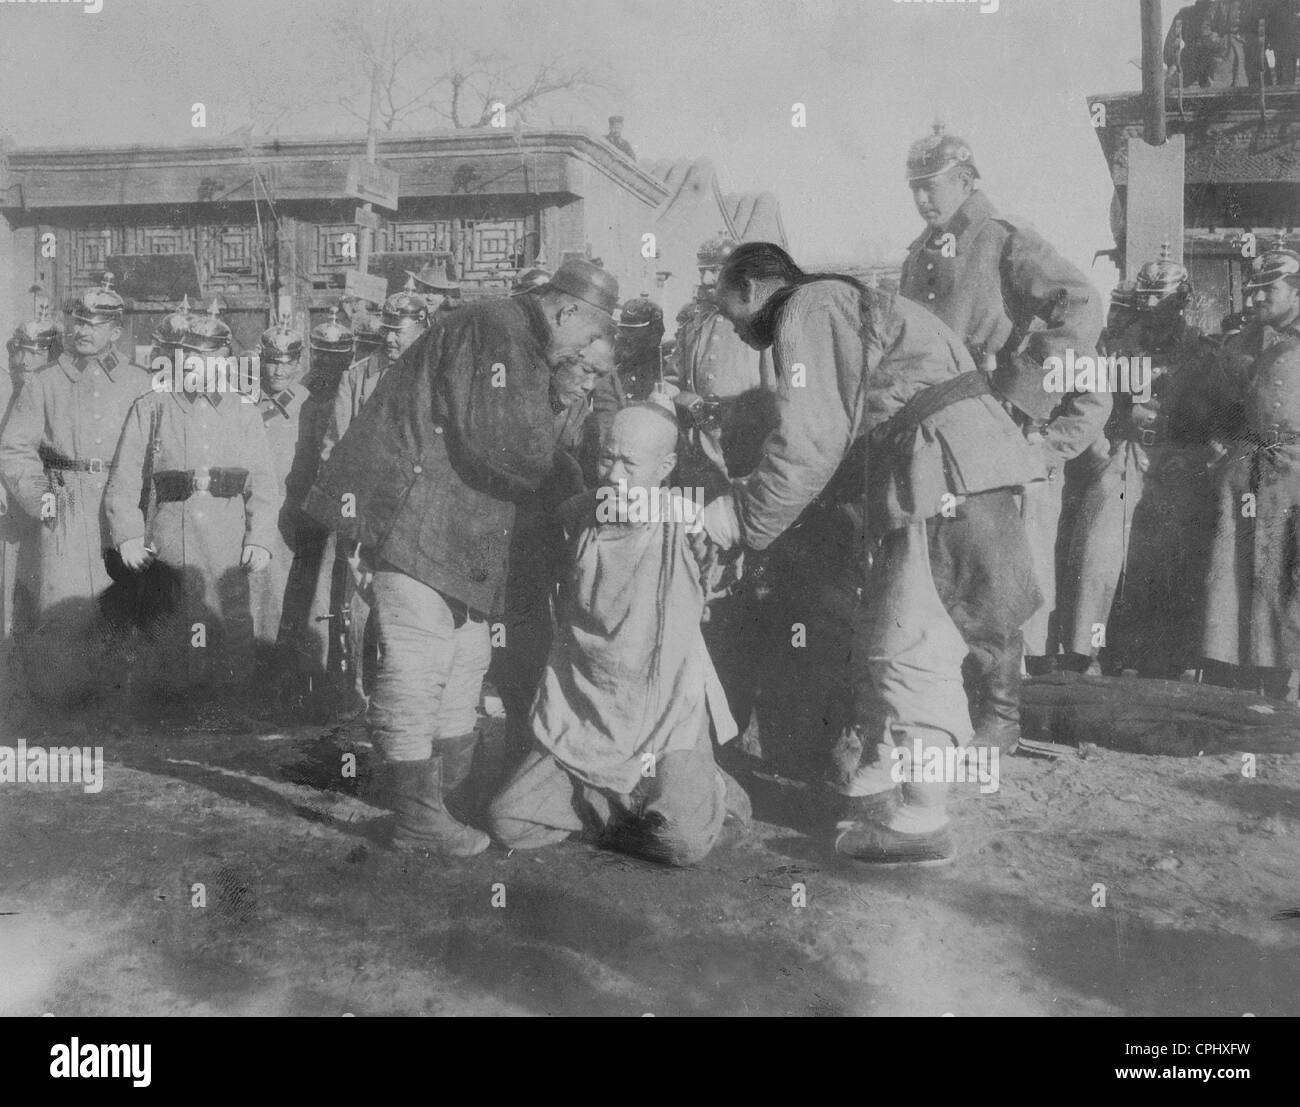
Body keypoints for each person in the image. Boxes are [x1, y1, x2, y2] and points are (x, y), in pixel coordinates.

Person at [697, 242, 1043, 867]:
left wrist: (740, 518)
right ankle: (884, 779)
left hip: (935, 472)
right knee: (890, 628)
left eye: (728, 311)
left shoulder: (808, 306)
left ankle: (921, 819)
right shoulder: (848, 300)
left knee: (913, 643)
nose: (734, 328)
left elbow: (811, 438)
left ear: (749, 288)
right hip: (948, 466)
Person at [303, 258, 619, 858]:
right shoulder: (497, 327)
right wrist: (571, 486)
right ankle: (417, 818)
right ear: (567, 310)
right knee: (419, 661)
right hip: (410, 515)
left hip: (449, 527)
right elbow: (500, 439)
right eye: (589, 336)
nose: (586, 350)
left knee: (466, 659)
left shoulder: (514, 334)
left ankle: (444, 800)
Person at [898, 123, 1105, 741]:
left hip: (984, 424)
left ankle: (1000, 716)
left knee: (987, 572)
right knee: (929, 569)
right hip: (924, 430)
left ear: (966, 181)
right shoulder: (919, 252)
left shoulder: (1001, 238)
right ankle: (949, 707)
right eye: (914, 189)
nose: (922, 200)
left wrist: (1024, 393)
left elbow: (1080, 301)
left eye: (931, 187)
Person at [489, 402, 737, 864]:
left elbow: (722, 549)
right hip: (587, 710)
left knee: (678, 844)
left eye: (630, 463)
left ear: (665, 468)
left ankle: (709, 786)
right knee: (508, 821)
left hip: (665, 718)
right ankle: (623, 808)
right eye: (607, 458)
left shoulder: (685, 525)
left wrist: (709, 544)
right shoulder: (576, 516)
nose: (613, 475)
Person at [103, 304, 278, 699]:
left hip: (227, 531)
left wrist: (260, 537)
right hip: (170, 530)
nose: (202, 368)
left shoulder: (244, 411)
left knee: (228, 615)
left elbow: (264, 484)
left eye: (212, 359)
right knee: (170, 614)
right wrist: (128, 535)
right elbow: (125, 481)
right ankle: (169, 704)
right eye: (193, 359)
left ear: (227, 361)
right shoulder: (152, 406)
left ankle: (231, 702)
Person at [1060, 249, 1217, 677]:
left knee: (1173, 556)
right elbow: (1097, 403)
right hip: (1128, 454)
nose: (1151, 307)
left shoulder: (1203, 351)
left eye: (1161, 299)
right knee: (1098, 547)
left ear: (1182, 300)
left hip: (1180, 460)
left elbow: (1220, 412)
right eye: (1145, 298)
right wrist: (1121, 419)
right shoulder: (1121, 348)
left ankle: (1170, 658)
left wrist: (1188, 443)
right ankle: (1085, 650)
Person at [0, 274, 152, 703]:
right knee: (64, 611)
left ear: (116, 331)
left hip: (120, 510)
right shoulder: (44, 381)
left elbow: (154, 456)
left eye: (95, 323)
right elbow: (14, 448)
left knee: (121, 610)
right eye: (78, 321)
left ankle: (119, 710)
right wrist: (36, 493)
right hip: (65, 504)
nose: (82, 330)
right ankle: (60, 713)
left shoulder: (139, 383)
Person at [1201, 245, 1300, 699]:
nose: (1256, 300)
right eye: (1253, 291)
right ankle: (1239, 676)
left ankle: (1284, 677)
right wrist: (1223, 445)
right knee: (1240, 573)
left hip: (1296, 471)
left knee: (1287, 576)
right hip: (1249, 468)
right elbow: (1220, 405)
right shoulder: (1241, 344)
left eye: (1269, 290)